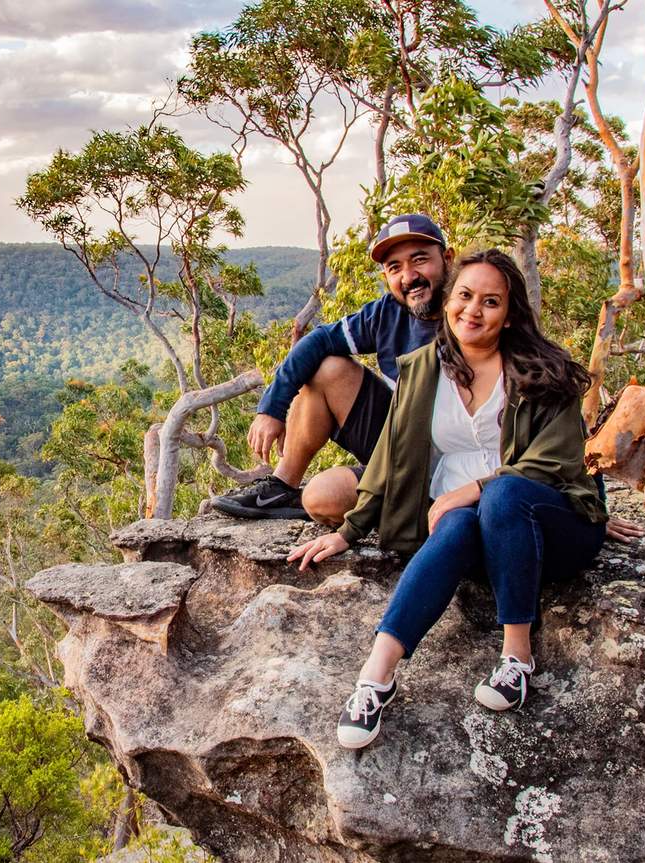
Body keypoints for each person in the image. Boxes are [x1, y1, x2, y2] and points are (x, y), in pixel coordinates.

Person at [285, 249, 609, 749]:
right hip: (478, 534)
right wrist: (350, 530)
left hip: (548, 529)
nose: (473, 310)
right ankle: (375, 678)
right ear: (448, 300)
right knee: (457, 523)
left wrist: (473, 488)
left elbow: (558, 462)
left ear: (510, 314)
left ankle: (517, 658)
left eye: (490, 301)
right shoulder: (423, 370)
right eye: (464, 296)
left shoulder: (545, 371)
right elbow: (390, 456)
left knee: (500, 495)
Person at [211, 213, 450, 523]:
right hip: (401, 447)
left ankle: (413, 507)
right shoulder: (389, 313)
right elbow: (320, 340)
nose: (409, 276)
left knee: (323, 498)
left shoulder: (471, 315)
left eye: (420, 260)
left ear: (447, 259)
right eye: (395, 267)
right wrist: (272, 408)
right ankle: (281, 487)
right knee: (328, 369)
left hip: (450, 466)